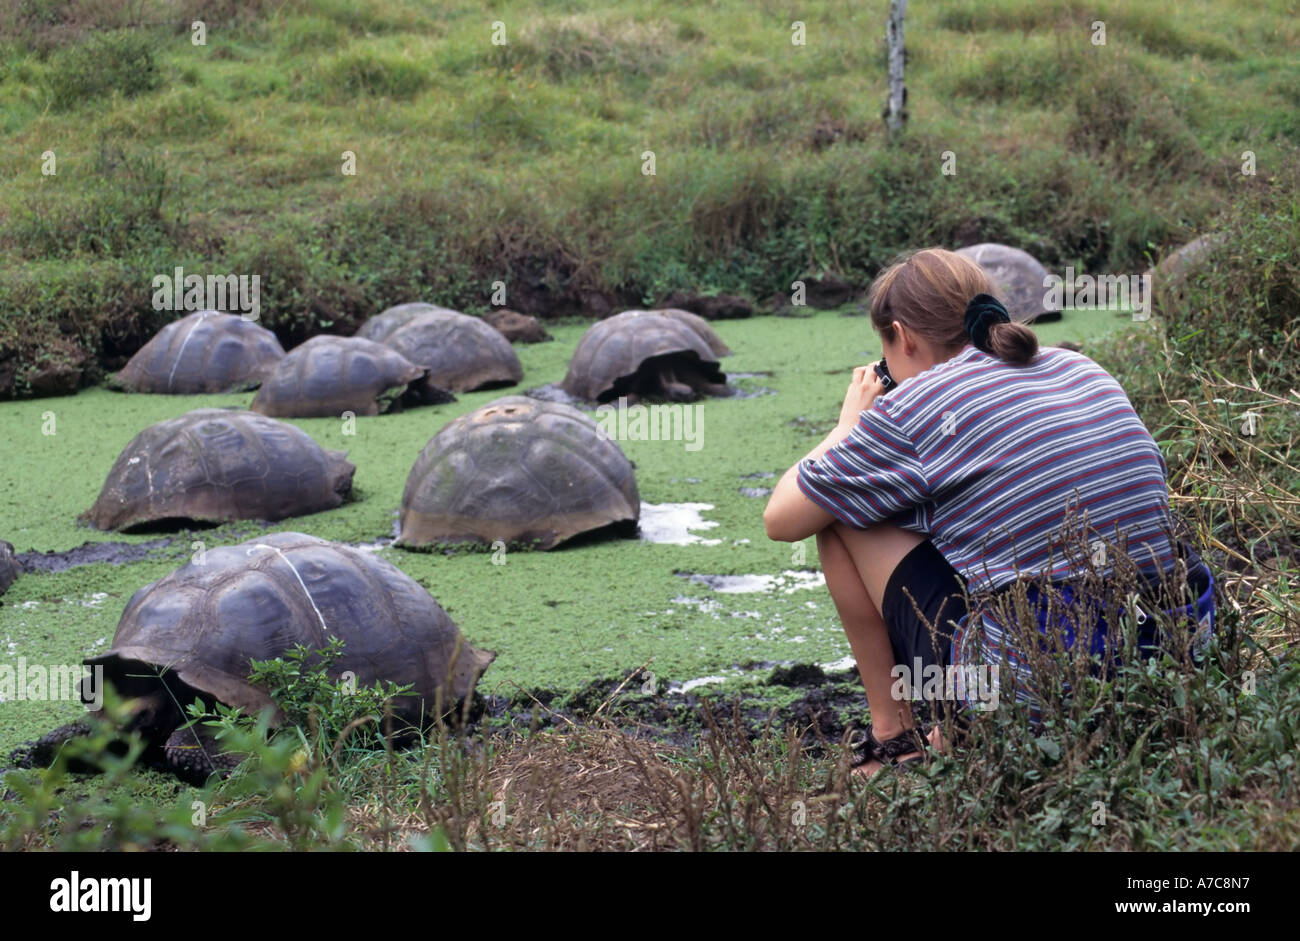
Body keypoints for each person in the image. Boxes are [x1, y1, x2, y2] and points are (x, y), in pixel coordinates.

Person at [763, 248, 1214, 777]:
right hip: (1176, 659)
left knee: (839, 513)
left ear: (903, 336)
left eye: (887, 360)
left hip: (1044, 690)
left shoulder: (916, 406)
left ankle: (895, 739)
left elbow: (782, 518)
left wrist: (848, 427)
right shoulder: (1080, 366)